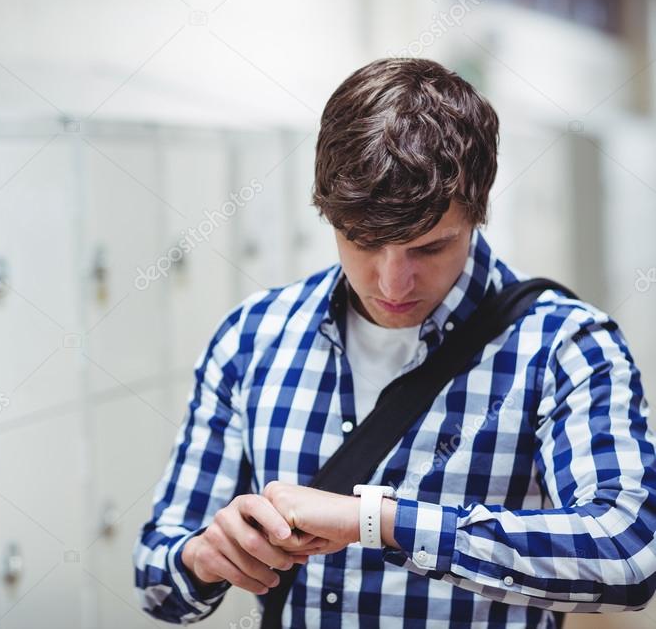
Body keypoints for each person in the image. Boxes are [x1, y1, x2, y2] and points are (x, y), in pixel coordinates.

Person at [133, 58, 656, 627]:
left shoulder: (564, 346)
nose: (392, 283)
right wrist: (201, 558)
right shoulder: (252, 337)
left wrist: (378, 521)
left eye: (429, 248)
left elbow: (628, 555)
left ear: (479, 212)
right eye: (361, 241)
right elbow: (158, 584)